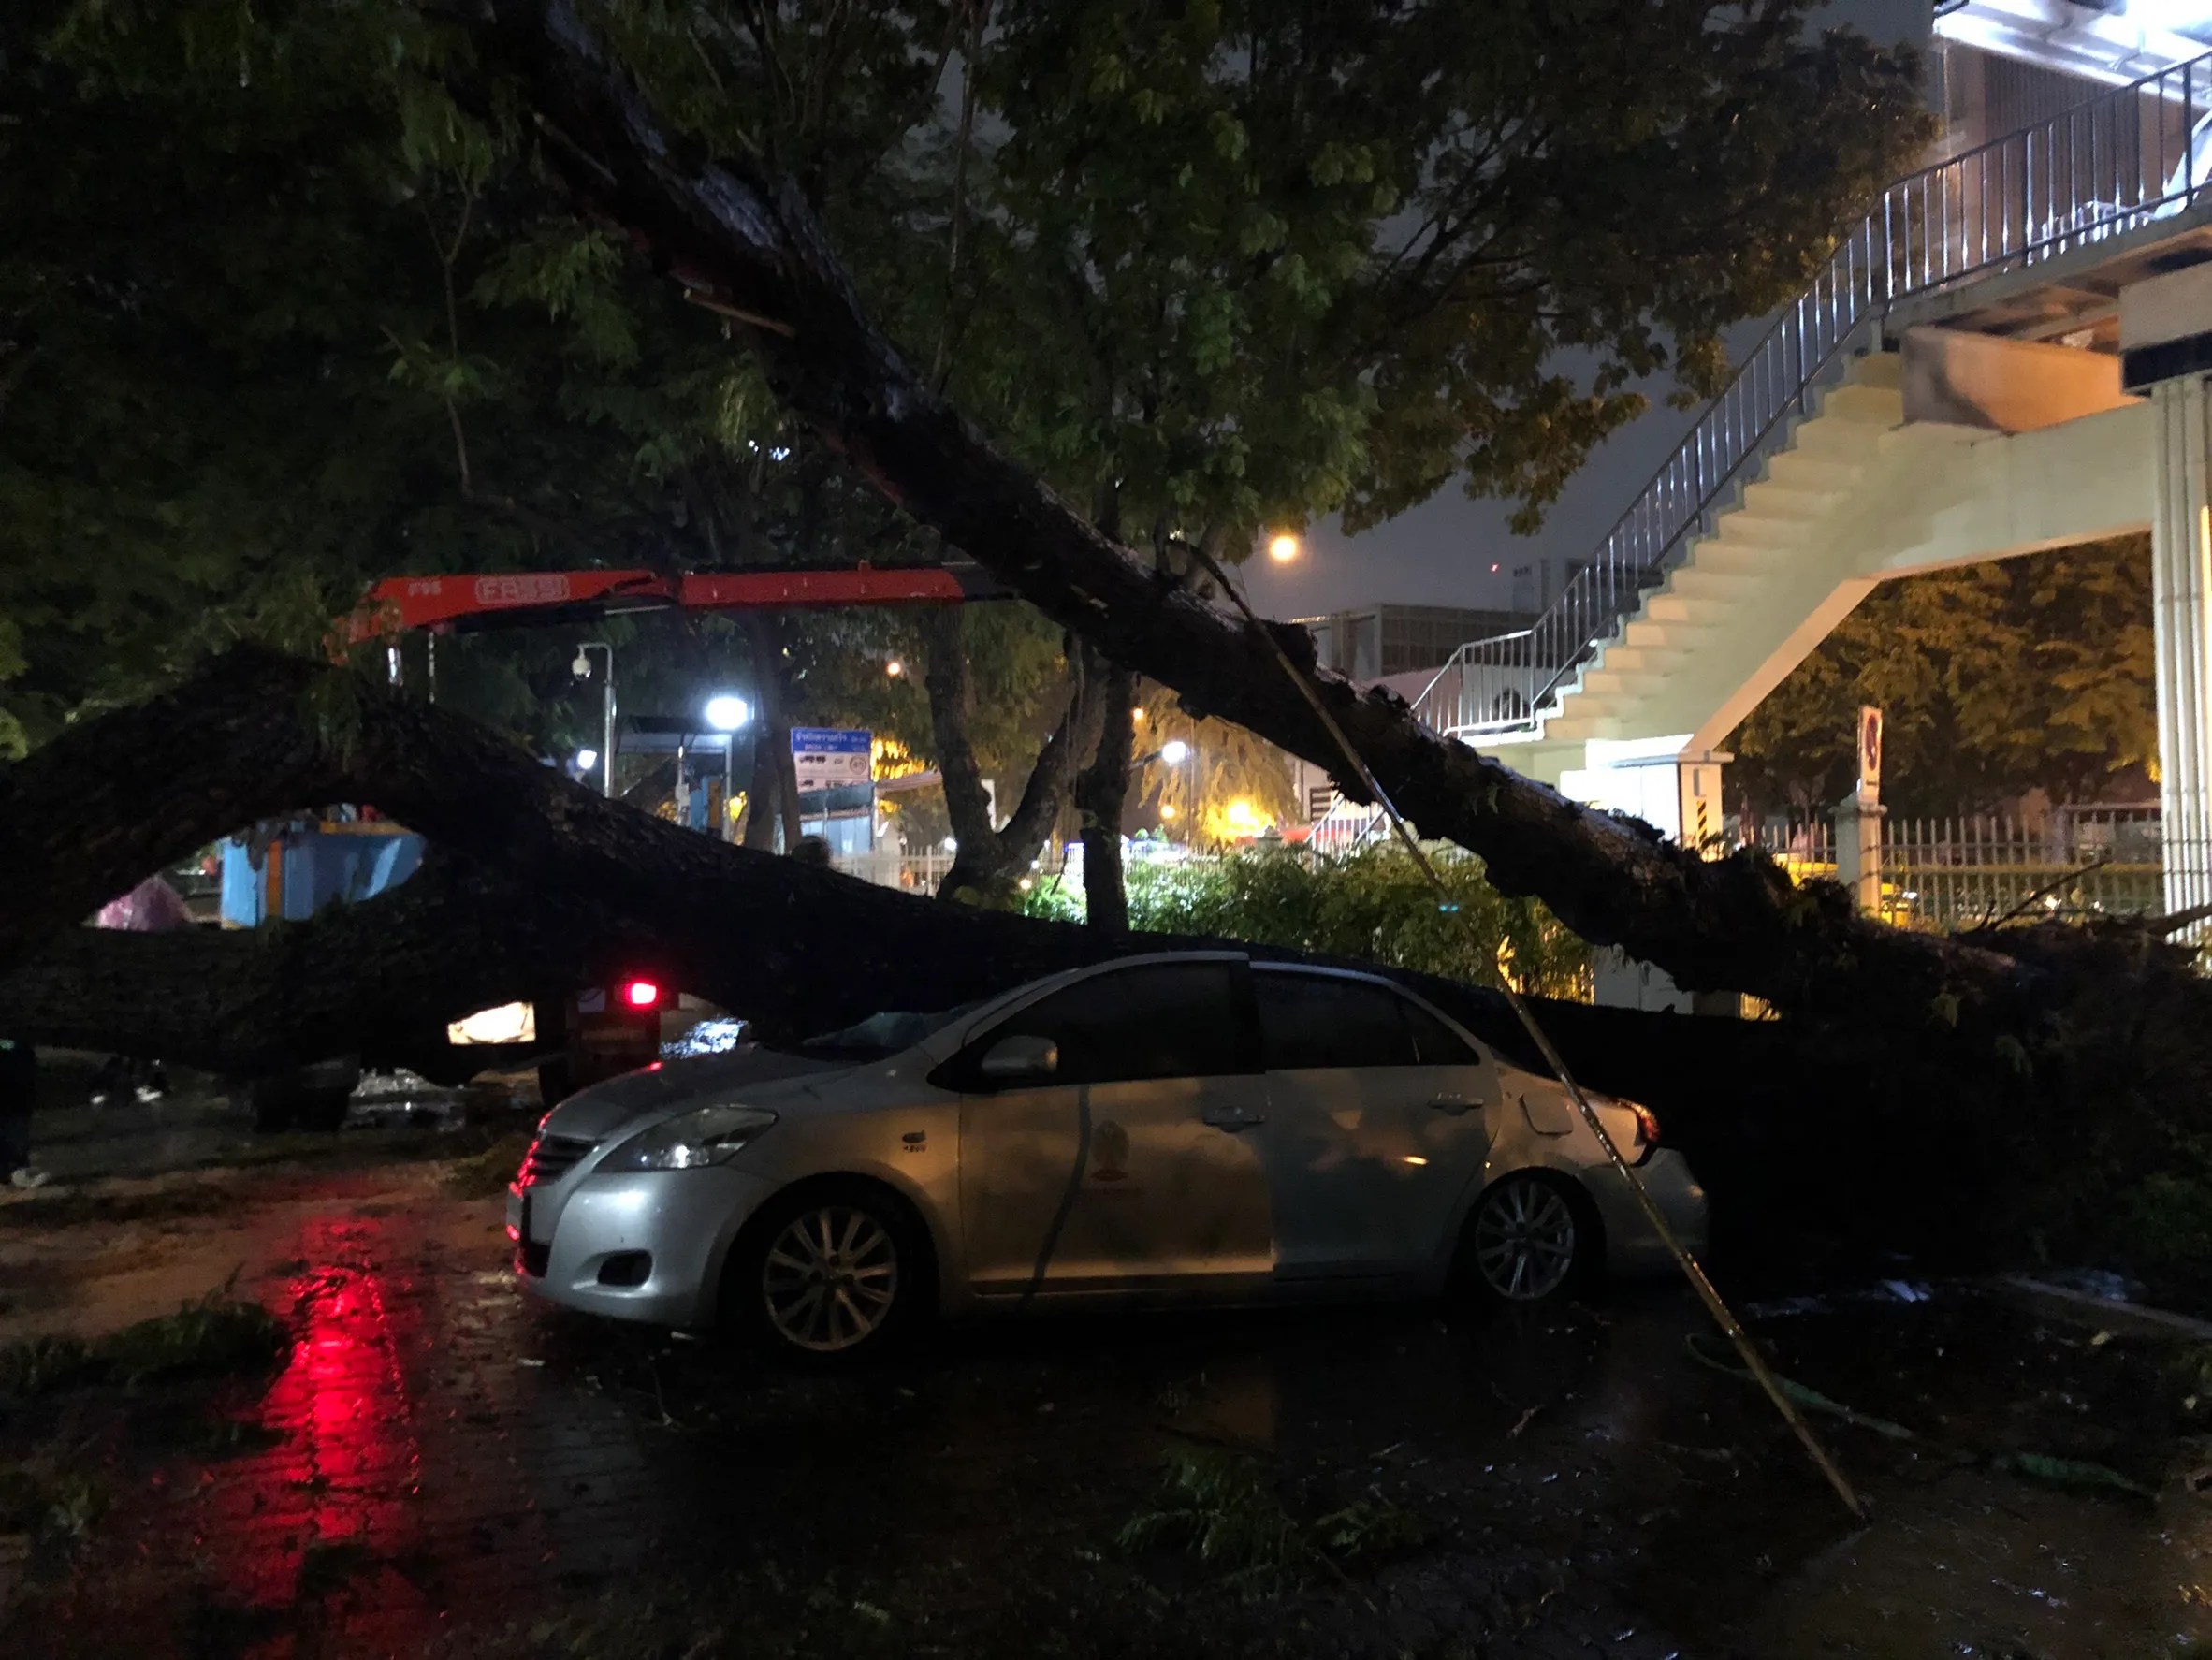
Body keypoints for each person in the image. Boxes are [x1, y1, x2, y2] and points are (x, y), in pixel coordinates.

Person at [89, 875, 191, 1106]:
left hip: (127, 972)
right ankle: (139, 1078)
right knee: (142, 1027)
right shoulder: (155, 890)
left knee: (124, 1028)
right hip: (145, 971)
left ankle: (117, 1080)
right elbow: (181, 922)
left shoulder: (130, 893)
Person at [0, 1039, 46, 1190]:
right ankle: (13, 1172)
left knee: (14, 1138)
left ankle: (14, 1172)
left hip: (16, 1102)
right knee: (14, 1138)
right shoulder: (16, 1048)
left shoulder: (16, 1047)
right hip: (16, 1102)